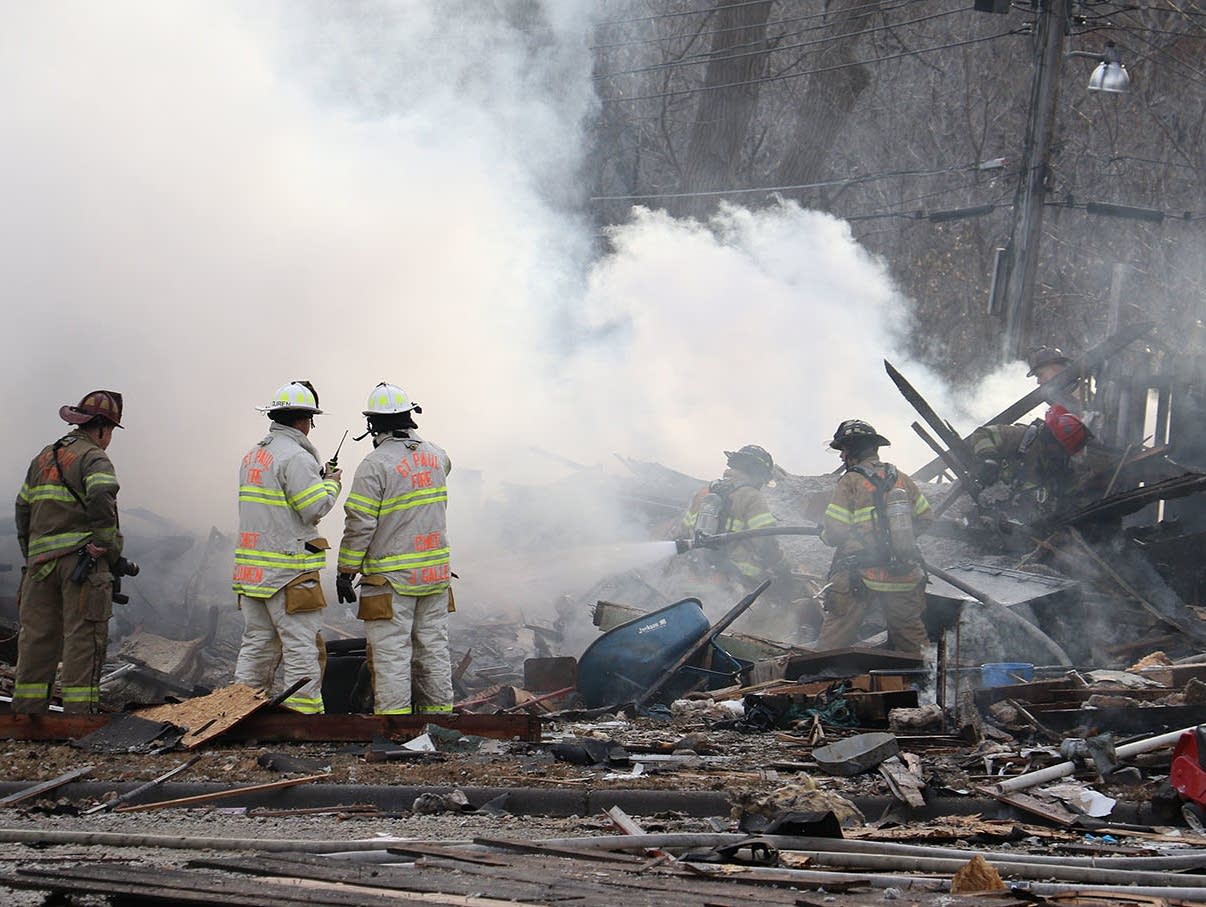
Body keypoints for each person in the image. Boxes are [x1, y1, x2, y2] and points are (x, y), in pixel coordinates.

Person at [336, 383, 453, 716]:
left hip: (390, 581)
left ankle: (395, 727)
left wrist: (346, 571)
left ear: (372, 424)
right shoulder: (437, 455)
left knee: (391, 654)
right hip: (434, 576)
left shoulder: (374, 465)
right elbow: (441, 471)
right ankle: (440, 720)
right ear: (409, 417)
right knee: (433, 649)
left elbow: (359, 523)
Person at [13, 390, 126, 713]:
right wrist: (105, 544)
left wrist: (32, 554)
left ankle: (27, 715)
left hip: (39, 566)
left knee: (37, 638)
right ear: (103, 428)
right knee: (83, 637)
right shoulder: (94, 457)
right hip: (81, 563)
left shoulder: (43, 458)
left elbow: (22, 508)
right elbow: (103, 495)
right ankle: (79, 718)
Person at [233, 380, 341, 714]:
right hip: (290, 572)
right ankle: (302, 715)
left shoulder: (254, 455)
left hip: (253, 573)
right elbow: (313, 508)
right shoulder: (295, 457)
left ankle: (239, 713)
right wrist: (331, 484)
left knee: (257, 645)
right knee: (300, 647)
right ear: (303, 419)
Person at [817, 420, 933, 657]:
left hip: (858, 574)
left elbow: (836, 531)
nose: (842, 457)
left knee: (834, 640)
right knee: (912, 641)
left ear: (853, 450)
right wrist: (903, 540)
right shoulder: (901, 479)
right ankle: (928, 683)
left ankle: (811, 682)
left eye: (844, 451)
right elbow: (926, 517)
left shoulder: (850, 480)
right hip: (902, 573)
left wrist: (825, 535)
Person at [673, 444, 783, 587]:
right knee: (780, 593)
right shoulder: (753, 496)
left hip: (695, 569)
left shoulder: (704, 493)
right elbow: (766, 541)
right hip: (735, 577)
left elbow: (681, 533)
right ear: (758, 473)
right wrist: (782, 566)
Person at [969, 405, 1090, 523]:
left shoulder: (1059, 465)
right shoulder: (1021, 437)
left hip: (1015, 517)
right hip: (990, 491)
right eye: (1060, 449)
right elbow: (982, 434)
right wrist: (989, 459)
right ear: (1051, 437)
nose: (1061, 454)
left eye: (1065, 451)